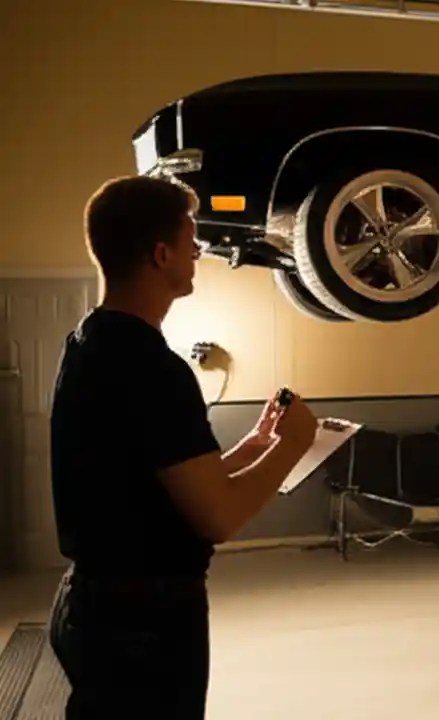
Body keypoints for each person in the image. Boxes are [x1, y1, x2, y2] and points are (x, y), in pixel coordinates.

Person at [45, 175, 319, 719]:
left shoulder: (89, 342)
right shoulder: (153, 368)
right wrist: (295, 444)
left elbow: (160, 479)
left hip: (95, 607)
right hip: (142, 627)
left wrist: (255, 445)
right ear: (161, 254)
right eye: (190, 241)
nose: (197, 253)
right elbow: (217, 516)